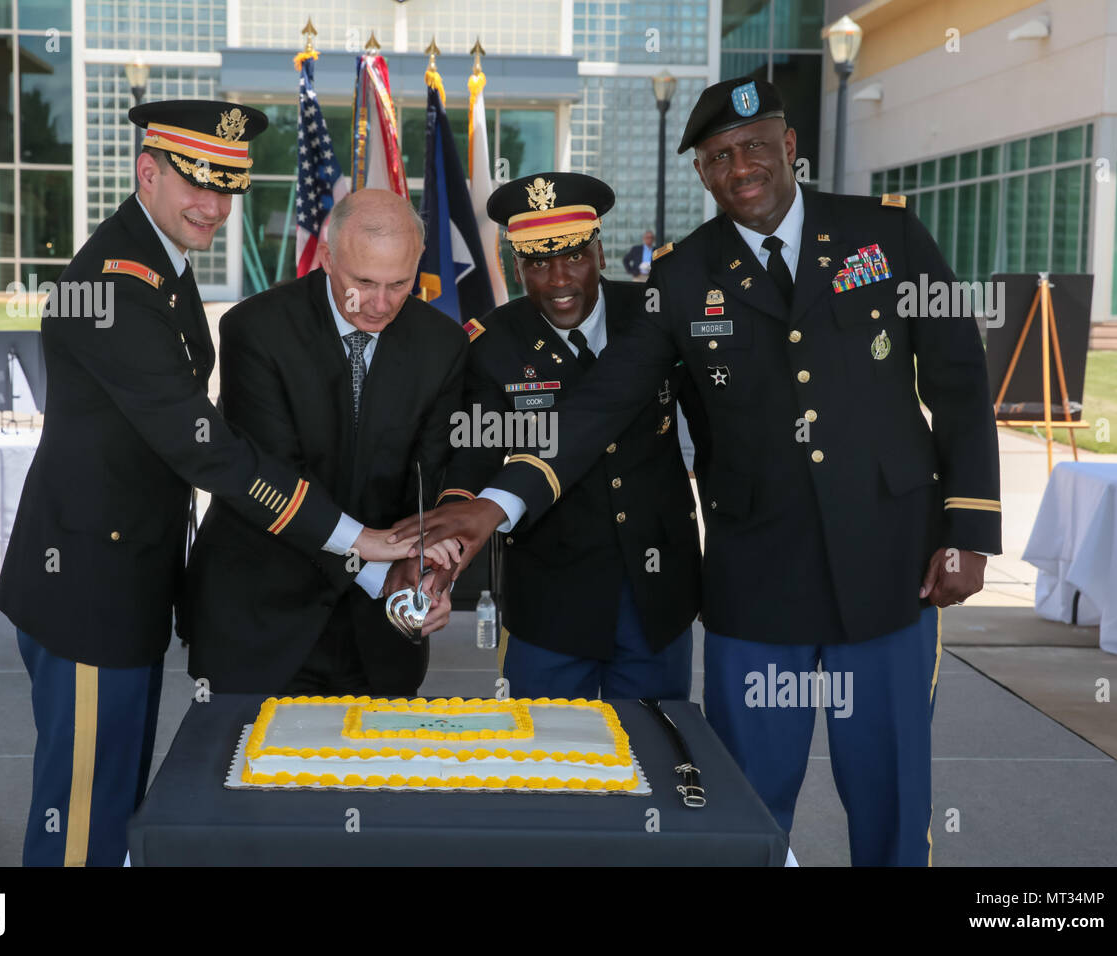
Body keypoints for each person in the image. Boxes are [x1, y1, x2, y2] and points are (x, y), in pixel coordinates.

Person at [394, 77, 1002, 866]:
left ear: (790, 147)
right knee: (743, 801)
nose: (740, 165)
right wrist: (496, 505)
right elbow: (602, 403)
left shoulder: (884, 236)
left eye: (755, 146)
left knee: (889, 792)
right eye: (719, 156)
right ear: (703, 175)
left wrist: (968, 529)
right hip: (758, 580)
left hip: (893, 567)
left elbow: (958, 380)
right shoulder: (682, 278)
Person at [0, 101, 421, 867]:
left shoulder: (158, 262)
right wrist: (358, 538)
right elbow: (210, 452)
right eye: (196, 186)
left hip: (123, 573)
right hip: (88, 582)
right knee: (83, 812)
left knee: (114, 794)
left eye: (226, 188)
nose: (214, 207)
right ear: (145, 171)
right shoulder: (121, 284)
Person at [179, 190, 465, 696]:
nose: (380, 305)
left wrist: (430, 574)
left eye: (399, 284)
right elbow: (274, 477)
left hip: (381, 637)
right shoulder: (256, 329)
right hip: (260, 620)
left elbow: (433, 479)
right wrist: (383, 575)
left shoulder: (443, 344)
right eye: (363, 283)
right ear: (328, 258)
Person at [432, 173, 702, 700]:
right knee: (544, 763)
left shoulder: (654, 316)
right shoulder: (493, 344)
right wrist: (451, 525)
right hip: (551, 598)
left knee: (656, 753)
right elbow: (474, 453)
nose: (558, 280)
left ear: (600, 254)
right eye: (537, 263)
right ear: (517, 268)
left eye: (574, 258)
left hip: (656, 590)